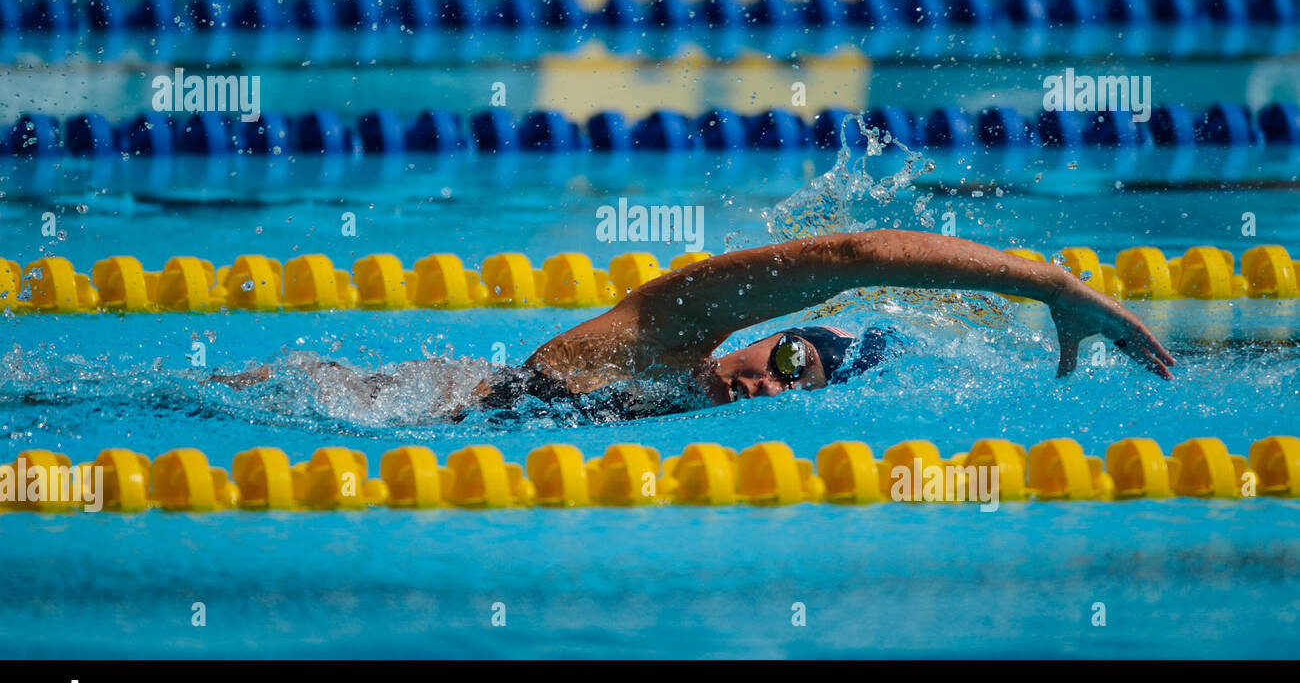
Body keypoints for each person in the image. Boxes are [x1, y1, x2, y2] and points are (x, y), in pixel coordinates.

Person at [214, 230, 1173, 420]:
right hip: (314, 406)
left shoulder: (686, 415)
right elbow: (851, 260)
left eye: (796, 387)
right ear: (764, 332)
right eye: (787, 354)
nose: (772, 379)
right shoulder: (666, 336)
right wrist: (1046, 284)